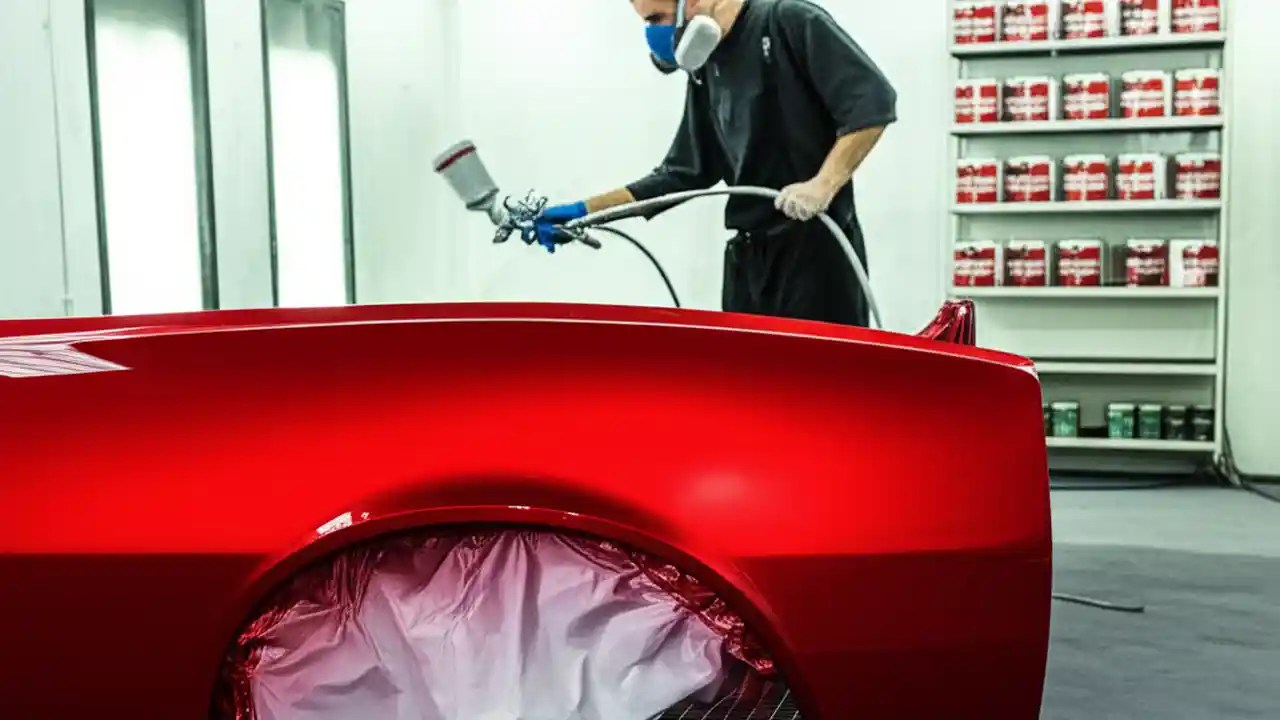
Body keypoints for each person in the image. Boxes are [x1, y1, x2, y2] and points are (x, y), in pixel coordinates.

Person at [536, 0, 896, 327]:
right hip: (748, 260)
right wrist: (585, 212)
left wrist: (822, 185)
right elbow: (682, 173)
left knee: (817, 390)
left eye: (657, 19)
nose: (653, 32)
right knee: (747, 390)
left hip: (815, 257)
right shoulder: (707, 63)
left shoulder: (788, 21)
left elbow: (871, 101)